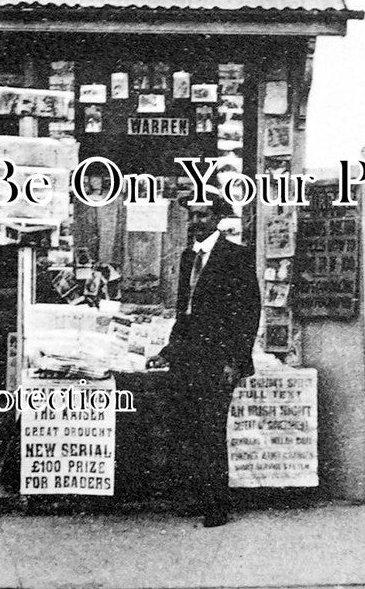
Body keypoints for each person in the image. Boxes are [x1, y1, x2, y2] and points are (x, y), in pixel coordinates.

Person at [156, 189, 261, 527]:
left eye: (203, 215)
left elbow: (249, 312)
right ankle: (196, 498)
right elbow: (183, 312)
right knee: (187, 428)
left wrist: (236, 359)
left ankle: (217, 506)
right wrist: (169, 349)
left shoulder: (236, 256)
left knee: (211, 431)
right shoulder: (189, 257)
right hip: (187, 356)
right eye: (192, 215)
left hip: (217, 359)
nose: (196, 222)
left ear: (217, 218)